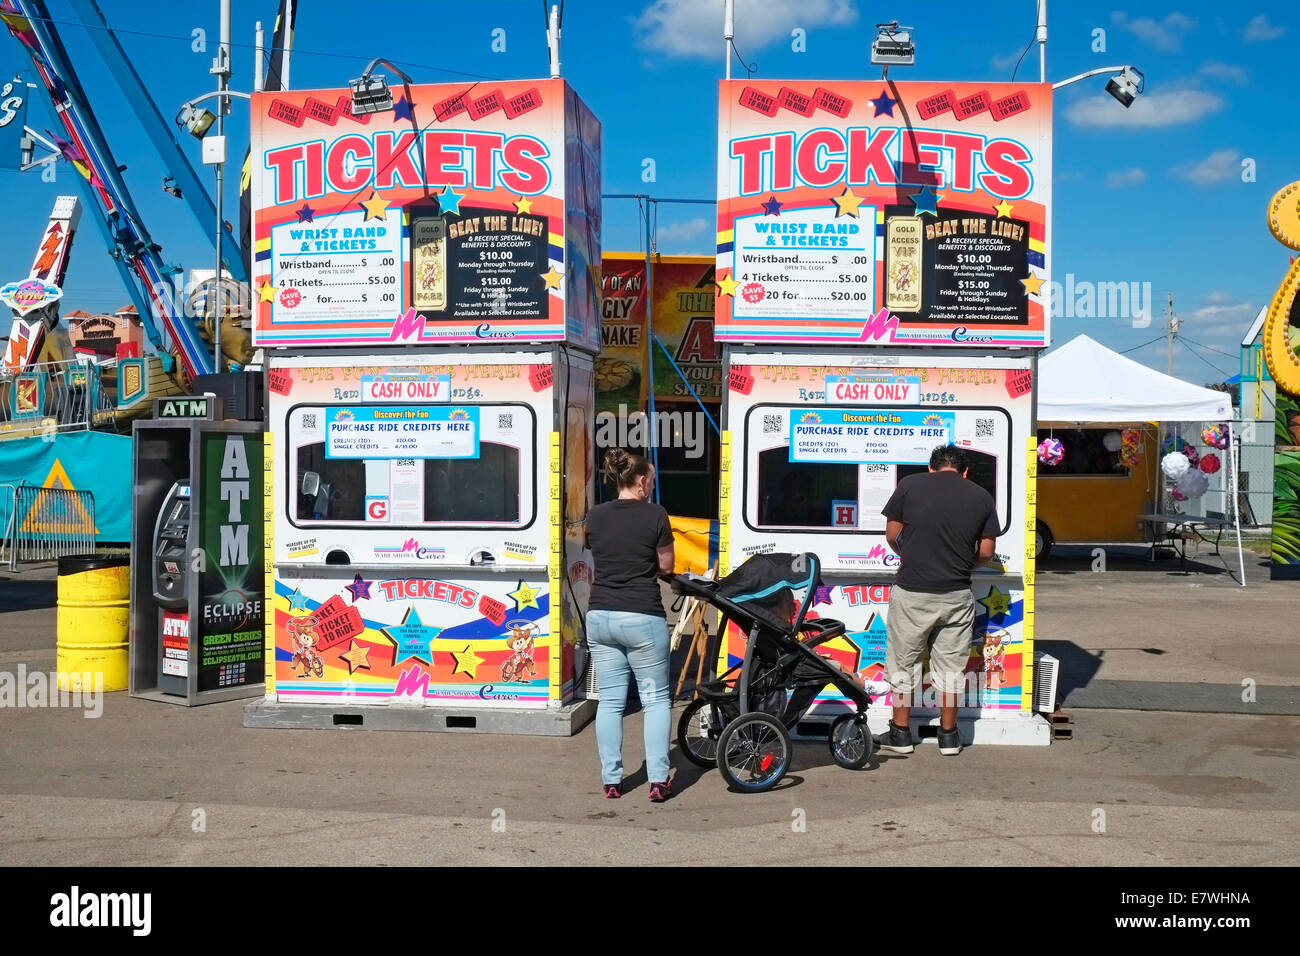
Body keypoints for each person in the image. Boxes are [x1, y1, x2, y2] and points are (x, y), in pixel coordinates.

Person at [878, 444, 998, 756]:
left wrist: (912, 557)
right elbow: (986, 552)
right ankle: (949, 737)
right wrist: (962, 565)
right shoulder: (981, 496)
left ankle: (901, 735)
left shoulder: (909, 485)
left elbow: (892, 535)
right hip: (956, 594)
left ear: (931, 467)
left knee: (904, 662)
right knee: (951, 668)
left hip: (912, 591)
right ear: (965, 470)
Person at [584, 449, 676, 801]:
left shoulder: (595, 515)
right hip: (641, 616)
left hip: (601, 616)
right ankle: (656, 780)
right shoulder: (656, 515)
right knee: (654, 701)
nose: (652, 484)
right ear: (640, 481)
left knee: (610, 702)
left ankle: (611, 781)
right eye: (651, 479)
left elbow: (599, 551)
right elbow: (666, 566)